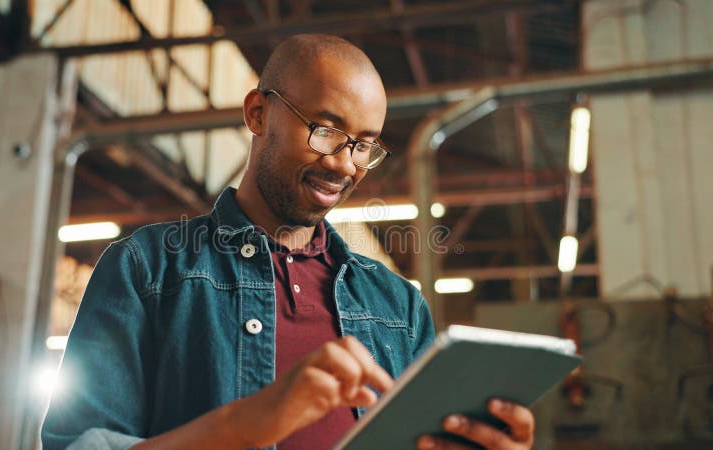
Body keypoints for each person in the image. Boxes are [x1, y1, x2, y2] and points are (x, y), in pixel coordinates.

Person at [41, 34, 535, 450]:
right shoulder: (146, 270)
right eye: (325, 130)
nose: (344, 164)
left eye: (363, 145)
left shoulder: (399, 308)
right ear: (258, 113)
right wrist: (244, 424)